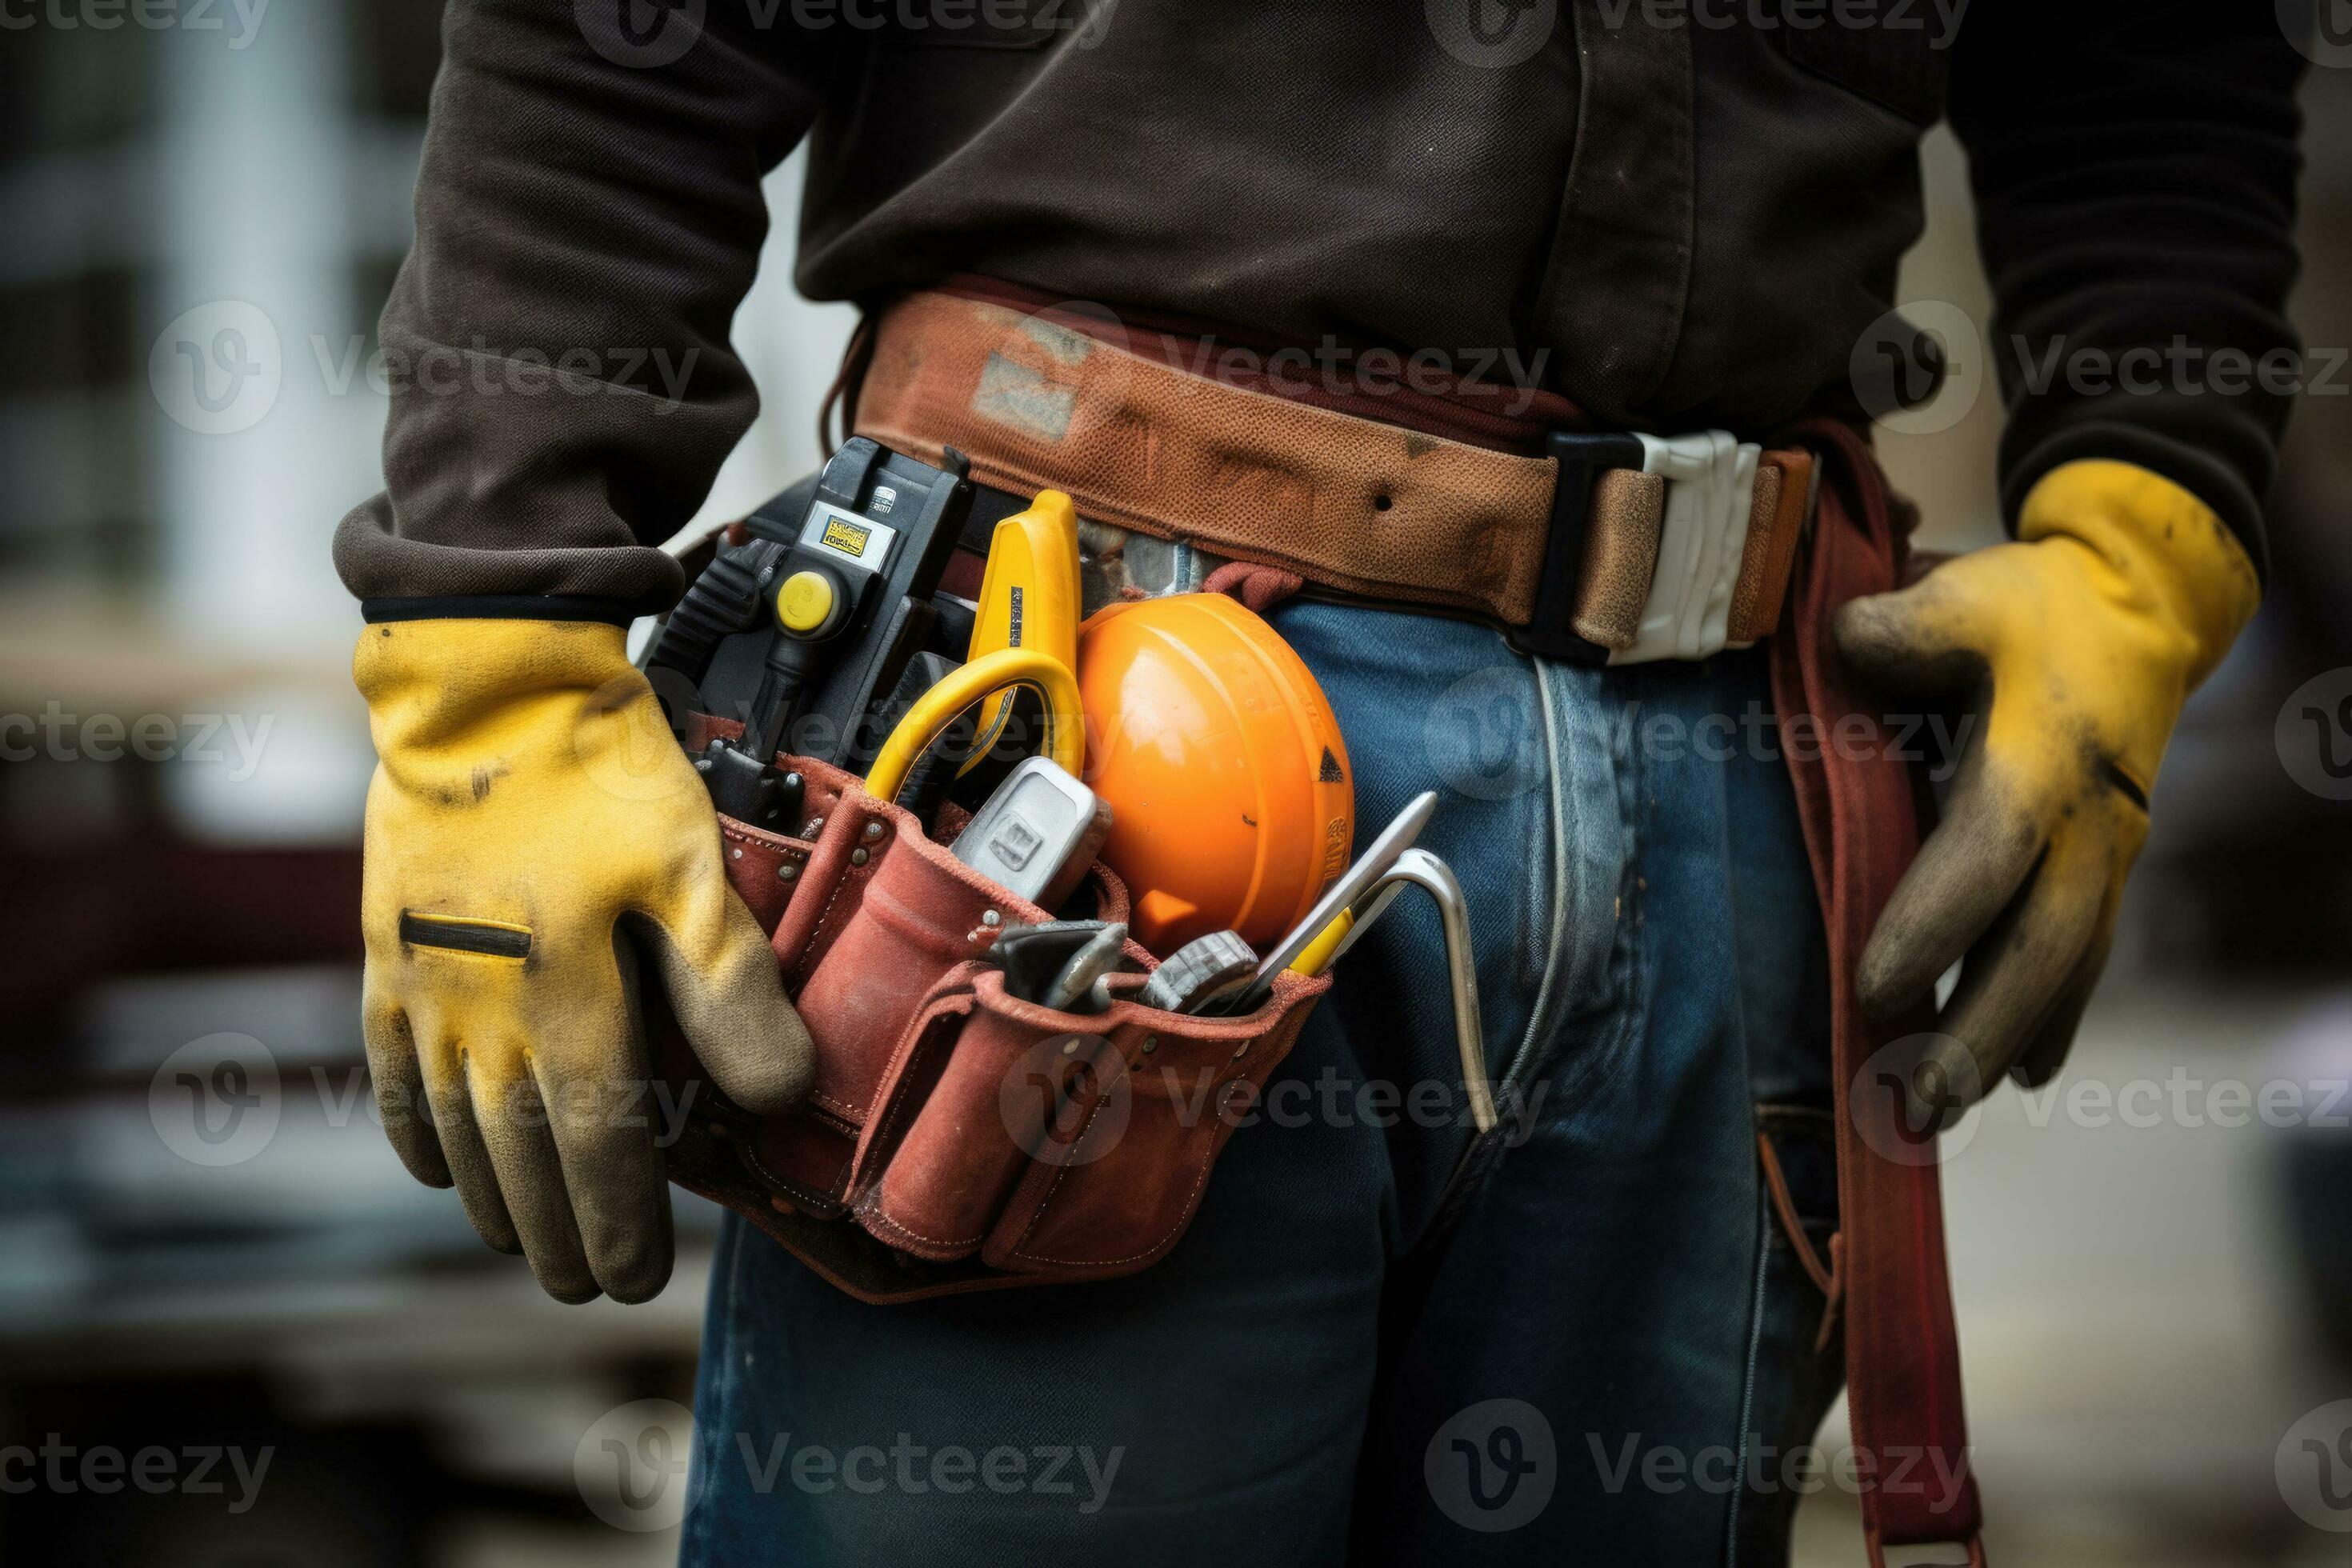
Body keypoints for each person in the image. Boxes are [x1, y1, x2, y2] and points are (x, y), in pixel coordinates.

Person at [335, 4, 2302, 1562]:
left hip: (1739, 753)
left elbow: (2159, 61)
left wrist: (2144, 528)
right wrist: (495, 657)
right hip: (1077, 755)